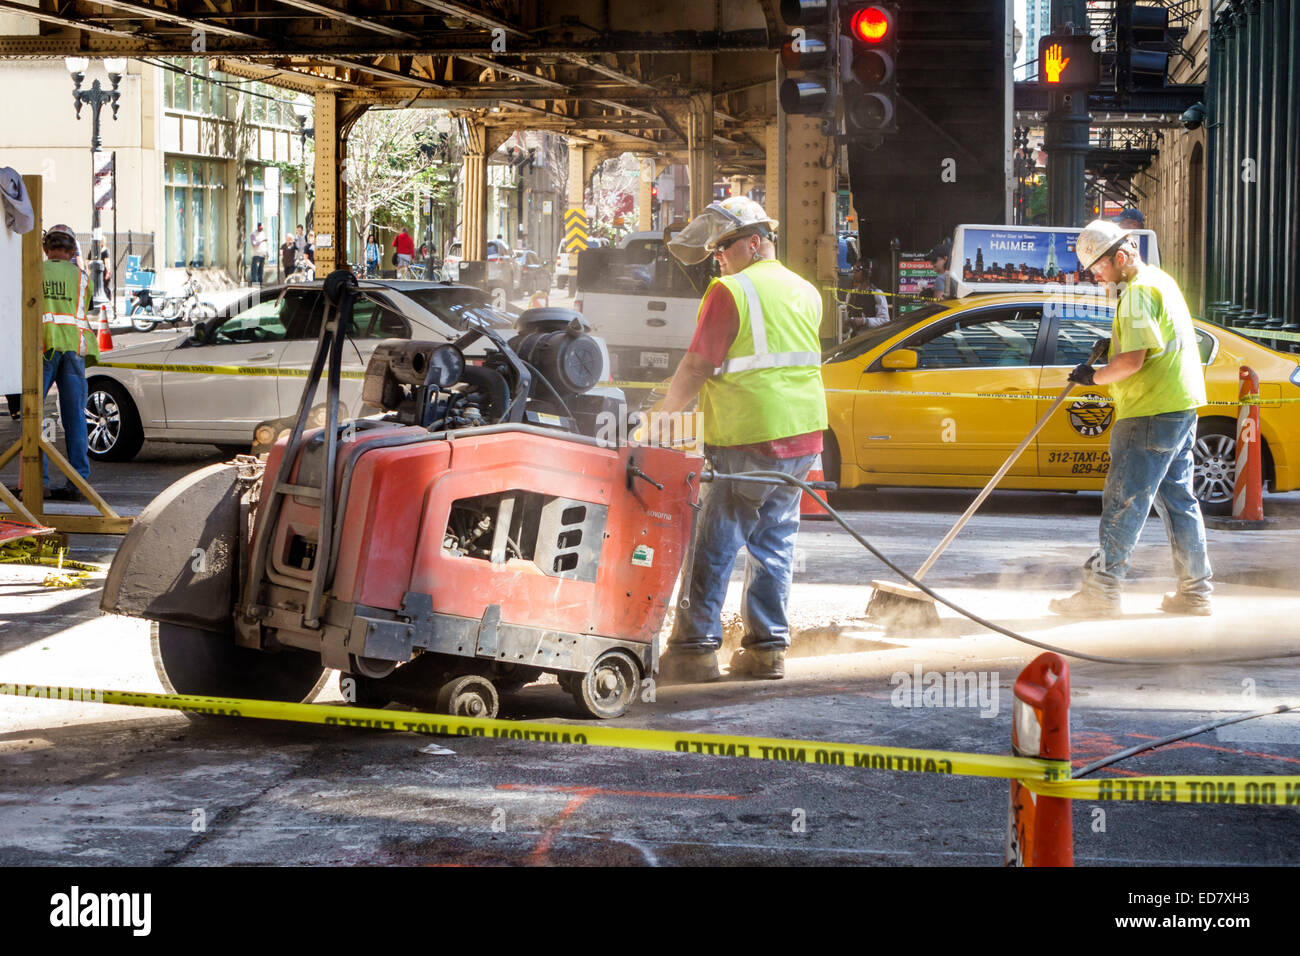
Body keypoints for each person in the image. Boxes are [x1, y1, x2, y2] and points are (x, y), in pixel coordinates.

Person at [653, 197, 828, 683]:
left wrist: (663, 416)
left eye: (725, 247)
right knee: (774, 540)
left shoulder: (730, 291)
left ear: (755, 243)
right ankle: (767, 649)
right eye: (715, 251)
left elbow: (697, 365)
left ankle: (694, 648)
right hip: (803, 437)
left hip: (749, 436)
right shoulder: (806, 291)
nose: (719, 257)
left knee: (716, 540)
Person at [1049, 219, 1212, 618]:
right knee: (1178, 502)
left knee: (1125, 500)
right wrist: (1116, 344)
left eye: (1099, 268)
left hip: (1149, 411)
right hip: (1179, 406)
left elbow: (1132, 362)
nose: (1097, 277)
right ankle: (1196, 592)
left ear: (1121, 257)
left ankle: (1101, 592)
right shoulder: (1160, 281)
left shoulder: (1137, 294)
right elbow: (1148, 347)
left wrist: (1094, 376)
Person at [38, 224, 96, 501]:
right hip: (74, 347)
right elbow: (85, 306)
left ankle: (40, 482)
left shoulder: (35, 271)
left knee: (34, 416)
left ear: (46, 249)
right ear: (72, 251)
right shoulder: (82, 277)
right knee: (75, 415)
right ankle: (78, 482)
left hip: (45, 346)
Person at [845, 259, 890, 333]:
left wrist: (864, 321)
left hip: (871, 339)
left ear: (866, 272)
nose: (854, 272)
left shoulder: (877, 294)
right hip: (855, 339)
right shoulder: (851, 294)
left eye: (857, 269)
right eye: (853, 269)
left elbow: (885, 321)